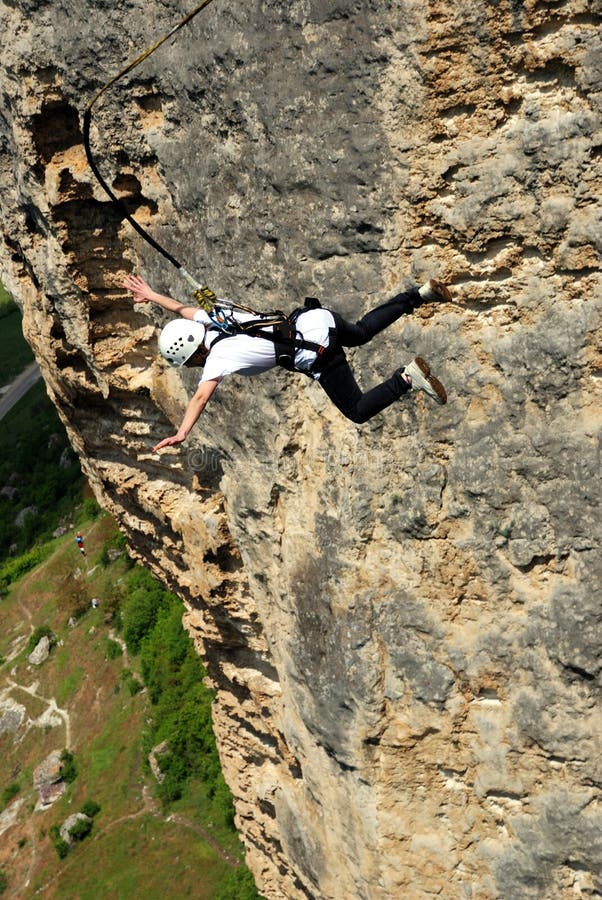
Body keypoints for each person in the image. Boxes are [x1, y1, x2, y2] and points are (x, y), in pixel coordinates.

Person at [122, 274, 452, 452]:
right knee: (363, 331)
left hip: (315, 350)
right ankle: (419, 295)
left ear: (193, 355)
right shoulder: (213, 316)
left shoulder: (217, 359)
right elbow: (183, 308)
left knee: (358, 410)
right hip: (316, 319)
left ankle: (407, 378)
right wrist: (151, 295)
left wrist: (182, 432)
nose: (194, 368)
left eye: (190, 363)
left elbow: (200, 397)